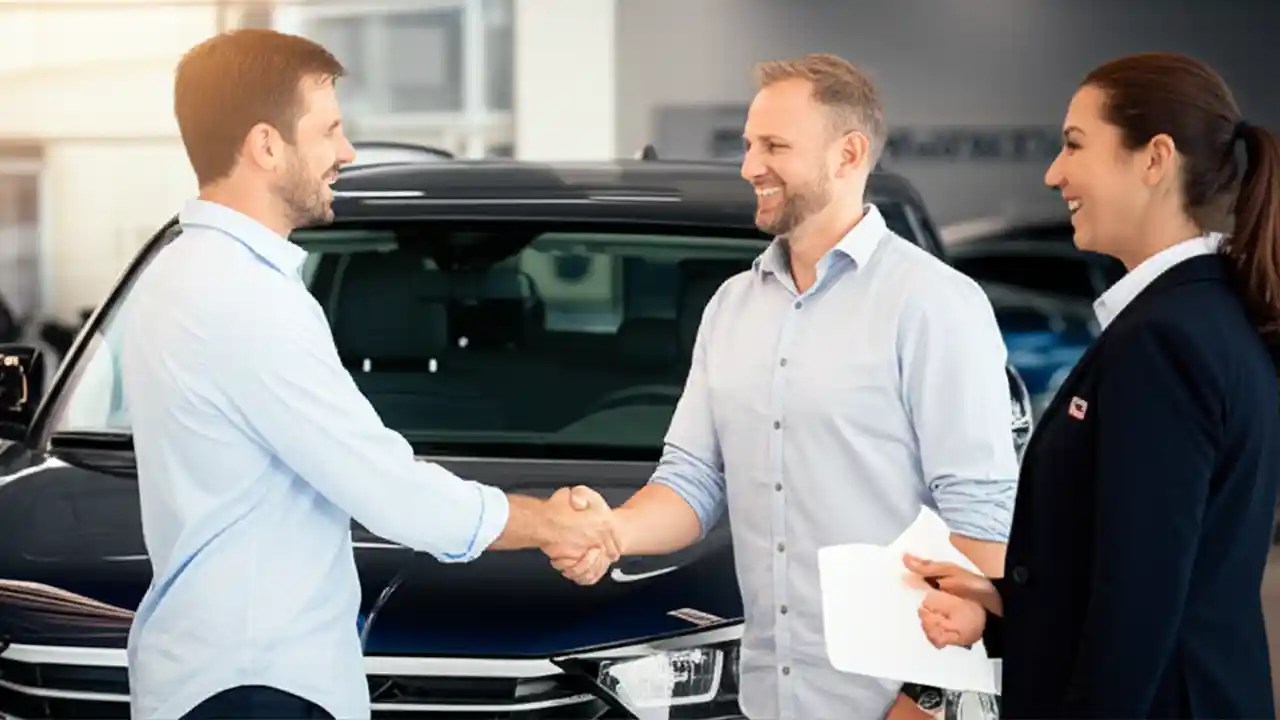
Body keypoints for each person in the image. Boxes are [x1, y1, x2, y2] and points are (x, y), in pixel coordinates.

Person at [119, 29, 619, 720]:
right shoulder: (244, 299)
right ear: (266, 146)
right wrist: (546, 523)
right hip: (257, 688)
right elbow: (387, 489)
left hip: (215, 673)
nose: (346, 152)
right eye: (329, 130)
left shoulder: (175, 274)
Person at [554, 53, 1021, 719]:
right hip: (771, 700)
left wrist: (928, 695)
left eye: (774, 146)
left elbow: (980, 516)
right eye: (748, 144)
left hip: (896, 705)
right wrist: (612, 532)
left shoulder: (933, 303)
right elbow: (692, 482)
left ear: (848, 153)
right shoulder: (732, 307)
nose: (749, 167)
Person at [905, 51, 1280, 719]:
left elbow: (1139, 601)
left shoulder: (1165, 341)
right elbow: (1140, 567)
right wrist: (1005, 604)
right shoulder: (1203, 314)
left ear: (1154, 159)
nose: (1054, 173)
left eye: (1075, 145)